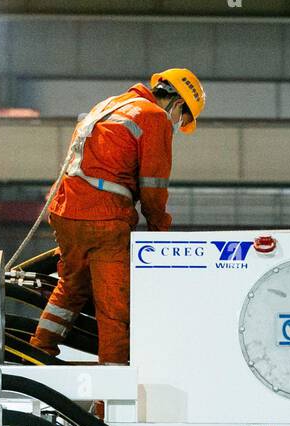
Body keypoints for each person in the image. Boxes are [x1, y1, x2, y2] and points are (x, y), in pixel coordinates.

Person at [30, 68, 205, 364]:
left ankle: (36, 354)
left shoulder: (109, 105)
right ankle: (108, 400)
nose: (177, 124)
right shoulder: (153, 116)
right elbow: (153, 185)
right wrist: (159, 233)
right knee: (114, 310)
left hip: (65, 212)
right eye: (182, 118)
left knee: (71, 288)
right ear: (177, 103)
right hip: (104, 220)